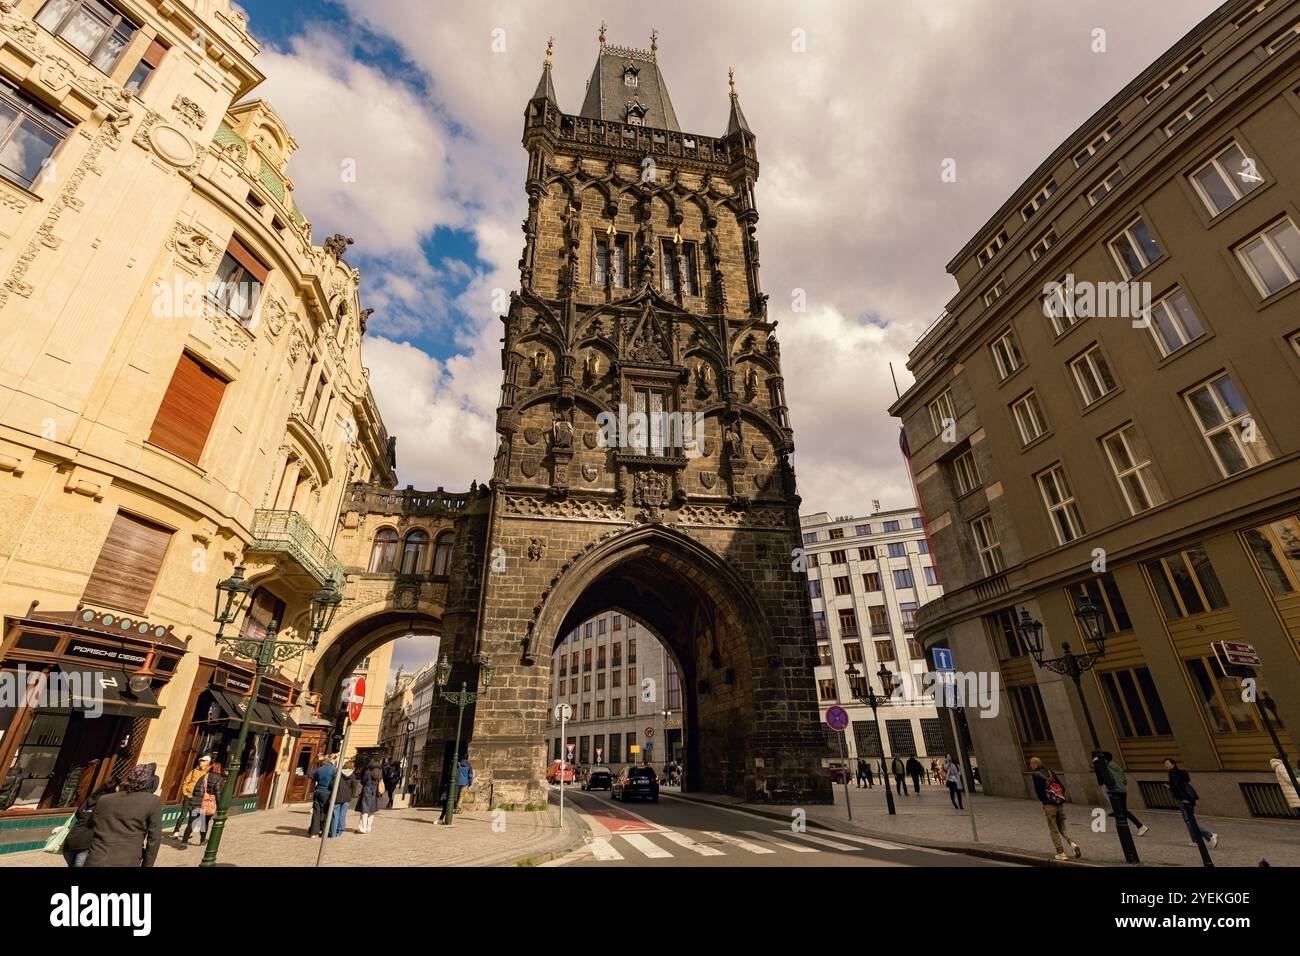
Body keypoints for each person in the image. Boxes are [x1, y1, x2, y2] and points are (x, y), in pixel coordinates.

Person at [84, 763, 162, 868]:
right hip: (126, 860)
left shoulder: (105, 799)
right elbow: (154, 839)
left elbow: (90, 824)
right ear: (147, 782)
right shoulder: (152, 802)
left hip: (97, 858)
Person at [1030, 756, 1080, 861]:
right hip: (1059, 804)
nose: (1030, 766)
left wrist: (1045, 800)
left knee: (1053, 830)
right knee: (1062, 828)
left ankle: (1060, 852)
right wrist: (1058, 799)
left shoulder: (1036, 775)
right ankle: (1073, 844)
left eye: (1031, 764)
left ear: (1035, 765)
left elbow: (1039, 791)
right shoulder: (1050, 772)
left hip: (1049, 805)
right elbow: (1062, 787)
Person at [1165, 758, 1217, 849]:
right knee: (1189, 820)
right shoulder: (1181, 772)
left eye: (1167, 763)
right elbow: (1185, 782)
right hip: (1188, 797)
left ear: (1173, 764)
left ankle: (1210, 835)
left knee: (1189, 821)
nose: (1166, 765)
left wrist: (1170, 787)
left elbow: (1177, 787)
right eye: (1165, 764)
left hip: (1183, 799)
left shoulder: (1173, 774)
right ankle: (1195, 840)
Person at [1096, 751, 1148, 837]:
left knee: (1123, 810)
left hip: (1116, 791)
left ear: (1105, 760)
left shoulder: (1108, 768)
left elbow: (1110, 780)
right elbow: (1124, 779)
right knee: (1122, 810)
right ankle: (1129, 826)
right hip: (1122, 790)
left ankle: (1140, 826)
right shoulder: (1116, 766)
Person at [62, 784, 114, 867]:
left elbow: (78, 814)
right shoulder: (107, 804)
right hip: (85, 843)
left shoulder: (90, 799)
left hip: (71, 839)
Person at [172, 755, 211, 843]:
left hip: (198, 797)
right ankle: (176, 830)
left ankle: (189, 834)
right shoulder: (194, 771)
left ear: (207, 762)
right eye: (200, 760)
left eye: (203, 760)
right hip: (189, 795)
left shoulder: (208, 773)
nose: (201, 762)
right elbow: (186, 782)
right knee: (183, 813)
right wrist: (185, 793)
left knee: (193, 816)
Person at [308, 754, 338, 839]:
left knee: (316, 812)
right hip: (327, 792)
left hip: (318, 791)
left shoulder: (319, 769)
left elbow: (310, 775)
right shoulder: (334, 770)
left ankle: (314, 833)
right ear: (331, 761)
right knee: (326, 812)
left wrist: (317, 779)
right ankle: (324, 831)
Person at [356, 759, 382, 832]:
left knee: (365, 809)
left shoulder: (368, 772)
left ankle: (363, 828)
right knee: (372, 810)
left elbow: (363, 781)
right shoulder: (379, 772)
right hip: (375, 792)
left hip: (367, 791)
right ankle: (369, 827)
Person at [330, 764, 355, 838]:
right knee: (342, 815)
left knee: (335, 815)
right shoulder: (352, 775)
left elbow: (332, 784)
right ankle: (340, 831)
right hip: (347, 797)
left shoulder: (338, 773)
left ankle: (333, 832)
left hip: (337, 796)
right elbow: (354, 787)